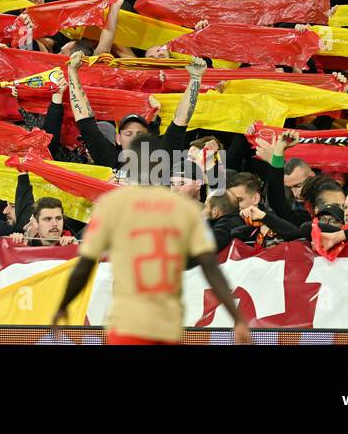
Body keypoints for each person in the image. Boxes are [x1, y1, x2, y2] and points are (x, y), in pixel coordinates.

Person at [54, 137, 252, 343]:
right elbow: (209, 266)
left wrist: (62, 306)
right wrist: (237, 317)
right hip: (167, 326)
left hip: (126, 325)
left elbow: (84, 264)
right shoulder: (185, 209)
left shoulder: (113, 205)